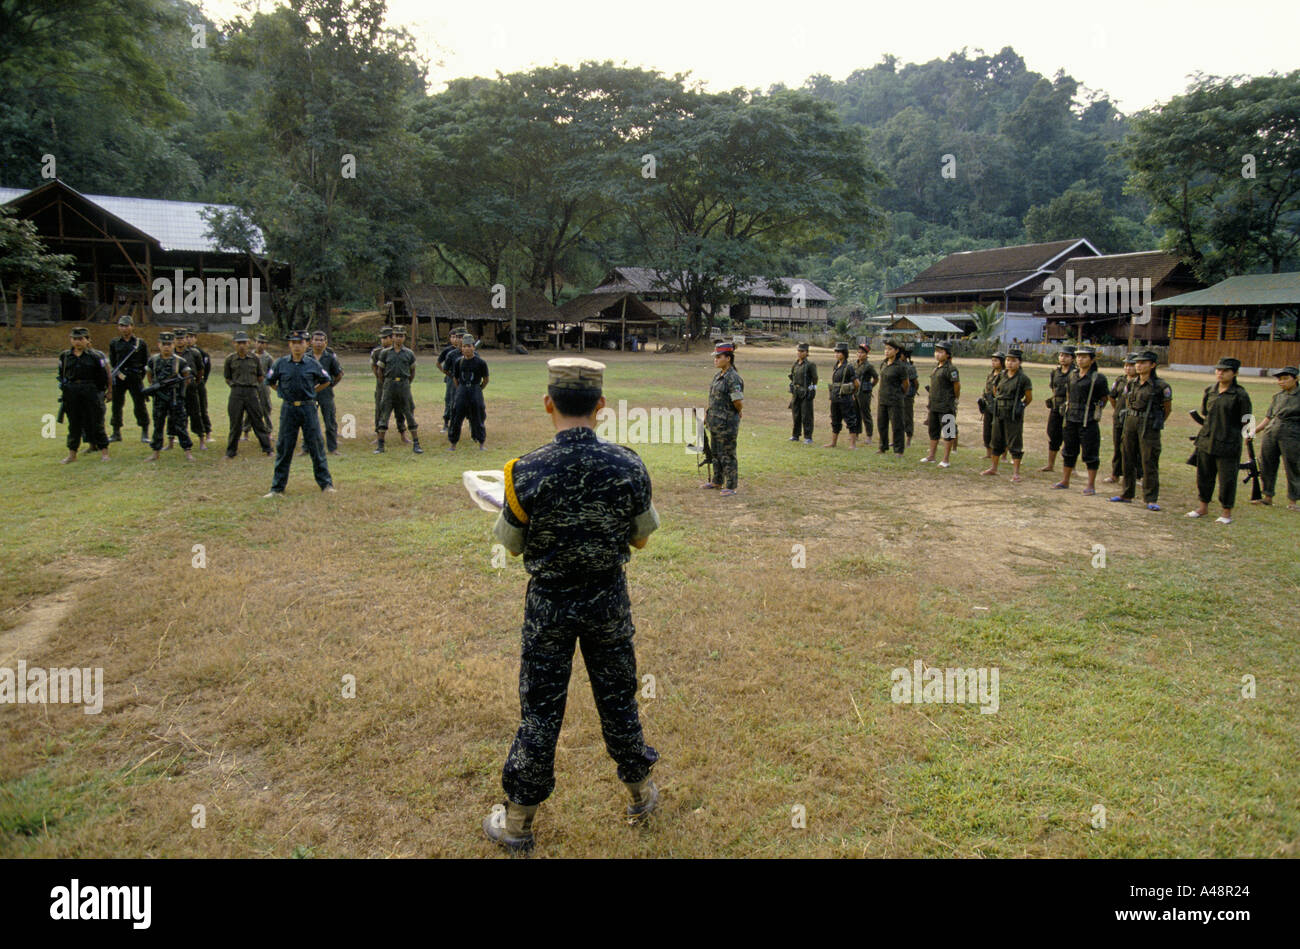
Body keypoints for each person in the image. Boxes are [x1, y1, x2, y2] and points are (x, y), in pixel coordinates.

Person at [484, 357, 660, 853]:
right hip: (607, 601)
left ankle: (518, 822)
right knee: (618, 699)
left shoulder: (524, 470)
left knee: (540, 711)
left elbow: (512, 545)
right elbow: (642, 539)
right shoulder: (628, 465)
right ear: (601, 406)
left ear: (548, 404)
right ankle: (641, 794)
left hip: (549, 608)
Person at [264, 330, 335, 497]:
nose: (297, 346)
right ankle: (277, 488)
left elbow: (326, 381)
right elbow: (270, 381)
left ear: (306, 344)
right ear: (290, 345)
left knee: (316, 446)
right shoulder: (281, 363)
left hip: (308, 408)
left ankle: (326, 485)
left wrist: (312, 391)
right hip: (289, 409)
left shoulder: (313, 364)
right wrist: (282, 391)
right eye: (294, 343)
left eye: (301, 342)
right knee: (284, 447)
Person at [1186, 357, 1252, 524]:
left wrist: (1247, 436)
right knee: (1204, 475)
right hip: (1207, 440)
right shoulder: (1210, 391)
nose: (1220, 373)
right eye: (1218, 370)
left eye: (1225, 371)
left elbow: (1246, 418)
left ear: (1235, 373)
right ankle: (1203, 507)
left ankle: (1226, 512)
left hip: (1228, 442)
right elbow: (1205, 413)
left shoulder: (1240, 395)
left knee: (1227, 479)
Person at [1112, 351, 1171, 510]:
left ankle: (1150, 498)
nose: (1138, 365)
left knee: (1149, 460)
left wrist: (1154, 421)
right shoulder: (1130, 383)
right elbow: (1123, 402)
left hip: (1148, 425)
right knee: (1127, 458)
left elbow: (1167, 409)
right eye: (1137, 362)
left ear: (1152, 365)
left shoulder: (1161, 386)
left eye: (1143, 363)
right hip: (1130, 422)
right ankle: (1126, 493)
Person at [1053, 347, 1108, 495]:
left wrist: (1094, 410)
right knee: (1068, 450)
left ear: (1092, 359)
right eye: (1078, 357)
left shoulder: (1098, 378)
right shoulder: (1073, 375)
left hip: (1088, 419)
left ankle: (1090, 484)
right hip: (1071, 418)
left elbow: (1104, 398)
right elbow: (1069, 393)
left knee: (1090, 452)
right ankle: (1065, 480)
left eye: (1084, 357)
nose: (1080, 359)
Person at [57, 327, 111, 464]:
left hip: (90, 390)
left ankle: (104, 452)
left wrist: (102, 391)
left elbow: (103, 376)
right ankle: (72, 454)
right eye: (75, 339)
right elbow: (62, 375)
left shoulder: (95, 356)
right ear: (70, 340)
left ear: (88, 340)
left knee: (97, 422)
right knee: (74, 423)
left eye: (81, 339)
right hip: (72, 391)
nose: (77, 342)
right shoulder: (65, 356)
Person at [982, 348, 1032, 481]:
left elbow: (1028, 397)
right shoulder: (1001, 376)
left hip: (1013, 413)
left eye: (1014, 361)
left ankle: (1016, 473)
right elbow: (994, 391)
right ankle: (993, 468)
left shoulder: (1023, 379)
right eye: (1008, 360)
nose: (1010, 363)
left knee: (1015, 442)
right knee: (996, 439)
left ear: (1020, 362)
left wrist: (1019, 407)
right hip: (999, 411)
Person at [1254, 366, 1300, 510]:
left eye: (1285, 378)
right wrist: (1256, 430)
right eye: (1279, 379)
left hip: (1292, 432)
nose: (1282, 382)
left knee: (1293, 466)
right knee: (1266, 464)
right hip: (1272, 431)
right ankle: (1267, 496)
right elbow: (1269, 416)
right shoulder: (1278, 397)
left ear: (1296, 379)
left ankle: (1293, 501)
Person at [145, 331, 195, 462]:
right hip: (159, 399)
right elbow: (149, 376)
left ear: (173, 345)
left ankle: (187, 451)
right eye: (163, 344)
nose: (166, 347)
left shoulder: (180, 361)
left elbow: (187, 378)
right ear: (159, 345)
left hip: (175, 398)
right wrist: (157, 387)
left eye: (169, 344)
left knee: (180, 425)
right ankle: (156, 452)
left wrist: (179, 390)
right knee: (158, 425)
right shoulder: (153, 360)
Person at [223, 331, 273, 458]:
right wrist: (237, 386)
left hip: (251, 392)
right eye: (239, 343)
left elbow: (260, 376)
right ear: (234, 343)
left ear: (248, 343)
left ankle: (268, 449)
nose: (241, 346)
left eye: (244, 343)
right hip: (236, 393)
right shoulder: (230, 359)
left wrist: (251, 385)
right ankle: (230, 452)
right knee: (235, 424)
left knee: (258, 421)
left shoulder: (255, 359)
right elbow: (227, 378)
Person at [703, 341, 743, 495]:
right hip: (715, 421)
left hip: (727, 423)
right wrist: (708, 414)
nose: (716, 360)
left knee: (727, 454)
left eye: (719, 357)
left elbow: (738, 402)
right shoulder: (718, 376)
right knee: (716, 453)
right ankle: (717, 481)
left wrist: (737, 412)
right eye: (715, 357)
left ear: (728, 358)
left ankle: (731, 486)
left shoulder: (733, 378)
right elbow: (714, 398)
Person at [374, 327, 422, 454]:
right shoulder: (385, 353)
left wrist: (406, 383)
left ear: (404, 337)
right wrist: (386, 383)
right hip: (389, 384)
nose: (399, 338)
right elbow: (380, 371)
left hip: (403, 385)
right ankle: (380, 445)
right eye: (396, 335)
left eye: (401, 336)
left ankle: (416, 443)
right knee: (384, 413)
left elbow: (412, 372)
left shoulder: (409, 353)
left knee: (408, 412)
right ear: (393, 337)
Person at [107, 316, 150, 444]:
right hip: (119, 378)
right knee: (117, 405)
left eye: (126, 325)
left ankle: (145, 432)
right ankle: (116, 432)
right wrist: (118, 373)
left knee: (140, 405)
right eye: (121, 325)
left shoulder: (140, 343)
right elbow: (113, 361)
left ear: (132, 326)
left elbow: (145, 362)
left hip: (135, 377)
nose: (124, 328)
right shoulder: (114, 343)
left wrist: (139, 377)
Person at [920, 340, 960, 467]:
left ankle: (946, 459)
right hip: (934, 405)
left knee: (948, 432)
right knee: (933, 431)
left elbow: (957, 385)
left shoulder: (951, 369)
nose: (937, 354)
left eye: (941, 352)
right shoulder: (936, 368)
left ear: (947, 354)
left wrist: (954, 399)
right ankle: (931, 456)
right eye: (936, 351)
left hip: (946, 405)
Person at [447, 335, 489, 451]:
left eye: (469, 346)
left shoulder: (481, 363)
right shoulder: (458, 362)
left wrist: (478, 388)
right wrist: (461, 389)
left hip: (475, 389)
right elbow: (455, 378)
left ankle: (481, 442)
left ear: (474, 348)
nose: (467, 349)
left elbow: (485, 379)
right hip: (462, 390)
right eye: (464, 346)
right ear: (461, 348)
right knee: (456, 417)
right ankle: (453, 443)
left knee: (478, 416)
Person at [1103, 354, 1139, 484]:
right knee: (1118, 446)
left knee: (1135, 448)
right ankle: (1115, 474)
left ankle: (1136, 476)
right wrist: (1118, 410)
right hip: (1119, 418)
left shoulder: (1141, 382)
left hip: (1135, 420)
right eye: (1126, 365)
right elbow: (1112, 396)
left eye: (1131, 365)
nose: (1128, 368)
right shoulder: (1120, 380)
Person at [1039, 346, 1076, 472]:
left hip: (1070, 409)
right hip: (1056, 408)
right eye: (1061, 355)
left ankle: (1071, 466)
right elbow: (1053, 388)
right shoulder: (1055, 373)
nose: (1063, 358)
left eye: (1066, 356)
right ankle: (1050, 465)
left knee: (1070, 437)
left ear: (1072, 358)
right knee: (1053, 434)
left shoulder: (1075, 373)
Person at [309, 330, 344, 455]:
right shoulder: (306, 357)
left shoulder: (330, 357)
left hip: (326, 393)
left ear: (326, 342)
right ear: (311, 342)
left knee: (330, 421)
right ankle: (307, 447)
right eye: (316, 340)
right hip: (310, 393)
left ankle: (332, 447)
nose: (318, 343)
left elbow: (339, 374)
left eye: (321, 340)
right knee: (308, 421)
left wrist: (330, 385)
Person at [173, 329, 208, 451]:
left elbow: (200, 370)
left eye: (182, 338)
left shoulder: (194, 353)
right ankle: (172, 440)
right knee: (174, 415)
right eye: (177, 339)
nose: (180, 341)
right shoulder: (171, 354)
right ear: (174, 340)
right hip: (175, 389)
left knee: (196, 414)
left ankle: (201, 440)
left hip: (191, 388)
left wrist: (196, 382)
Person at [370, 327, 405, 443]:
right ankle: (379, 434)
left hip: (398, 385)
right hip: (382, 385)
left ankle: (403, 433)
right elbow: (374, 367)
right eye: (382, 338)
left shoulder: (403, 351)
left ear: (392, 338)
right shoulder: (377, 352)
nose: (383, 340)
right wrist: (382, 381)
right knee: (380, 409)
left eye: (386, 338)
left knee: (400, 409)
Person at [876, 340, 909, 455]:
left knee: (897, 426)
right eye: (885, 349)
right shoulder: (884, 364)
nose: (887, 351)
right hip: (883, 399)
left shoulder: (900, 366)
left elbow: (906, 384)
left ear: (896, 351)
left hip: (895, 400)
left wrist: (899, 394)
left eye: (890, 349)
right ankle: (883, 447)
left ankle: (899, 450)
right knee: (881, 424)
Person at [824, 341, 859, 449]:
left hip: (845, 397)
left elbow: (856, 383)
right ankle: (833, 443)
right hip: (835, 397)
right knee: (835, 420)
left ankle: (852, 444)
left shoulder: (849, 367)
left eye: (839, 352)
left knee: (850, 420)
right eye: (836, 352)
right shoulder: (836, 366)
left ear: (844, 353)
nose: (837, 354)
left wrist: (851, 393)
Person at [244, 333, 275, 440]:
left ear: (266, 345)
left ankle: (269, 431)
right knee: (249, 408)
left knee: (265, 407)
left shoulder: (268, 358)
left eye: (263, 343)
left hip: (263, 384)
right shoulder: (249, 355)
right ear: (255, 343)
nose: (260, 345)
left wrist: (269, 382)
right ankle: (246, 431)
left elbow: (272, 372)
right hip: (251, 384)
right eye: (258, 342)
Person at [787, 341, 817, 444]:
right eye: (798, 351)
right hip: (796, 392)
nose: (799, 353)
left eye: (802, 351)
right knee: (796, 414)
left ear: (807, 352)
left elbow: (815, 378)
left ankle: (808, 437)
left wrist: (812, 389)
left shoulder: (810, 365)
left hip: (805, 392)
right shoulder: (795, 364)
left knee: (806, 415)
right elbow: (792, 376)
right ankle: (795, 435)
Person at [980, 352, 1005, 459]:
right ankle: (988, 453)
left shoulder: (1004, 375)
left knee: (1000, 431)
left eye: (996, 360)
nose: (993, 362)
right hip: (988, 405)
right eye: (992, 360)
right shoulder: (990, 375)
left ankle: (1003, 455)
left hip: (999, 405)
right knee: (987, 430)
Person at [438, 329, 464, 434]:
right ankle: (446, 423)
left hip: (464, 379)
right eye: (454, 337)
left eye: (461, 337)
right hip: (451, 379)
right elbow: (439, 364)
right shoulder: (449, 351)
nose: (457, 339)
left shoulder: (470, 350)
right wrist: (449, 375)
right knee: (450, 400)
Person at [853, 343, 878, 446]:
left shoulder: (869, 366)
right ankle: (857, 434)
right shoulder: (855, 364)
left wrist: (870, 386)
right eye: (858, 352)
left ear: (867, 354)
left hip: (864, 392)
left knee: (865, 414)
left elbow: (876, 378)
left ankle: (869, 436)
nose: (860, 354)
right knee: (856, 414)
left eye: (862, 353)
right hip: (854, 391)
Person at [902, 346, 919, 447]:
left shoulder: (910, 367)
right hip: (897, 395)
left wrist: (912, 393)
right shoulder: (897, 365)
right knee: (897, 417)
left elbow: (916, 383)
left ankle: (908, 438)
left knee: (908, 417)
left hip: (907, 396)